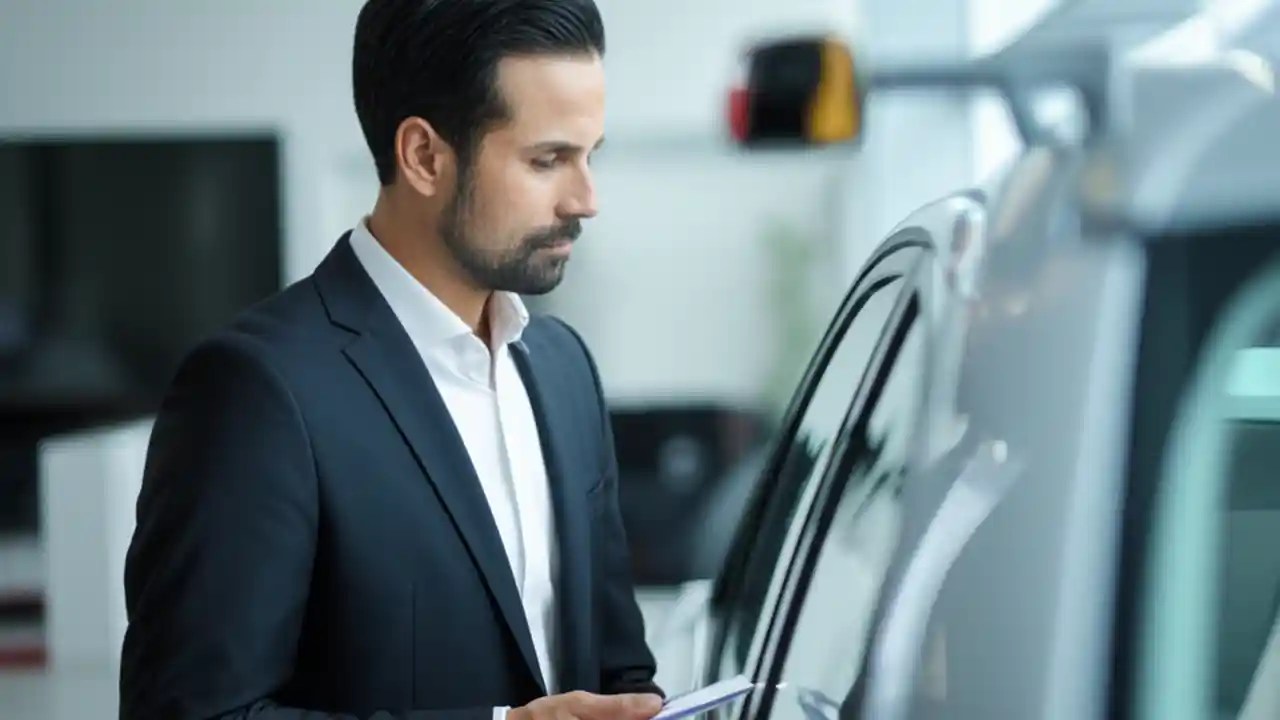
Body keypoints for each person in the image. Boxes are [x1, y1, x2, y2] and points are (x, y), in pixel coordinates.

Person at [118, 1, 664, 718]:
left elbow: (617, 670)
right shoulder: (258, 390)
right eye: (548, 159)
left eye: (591, 156)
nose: (586, 199)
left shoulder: (562, 372)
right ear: (424, 157)